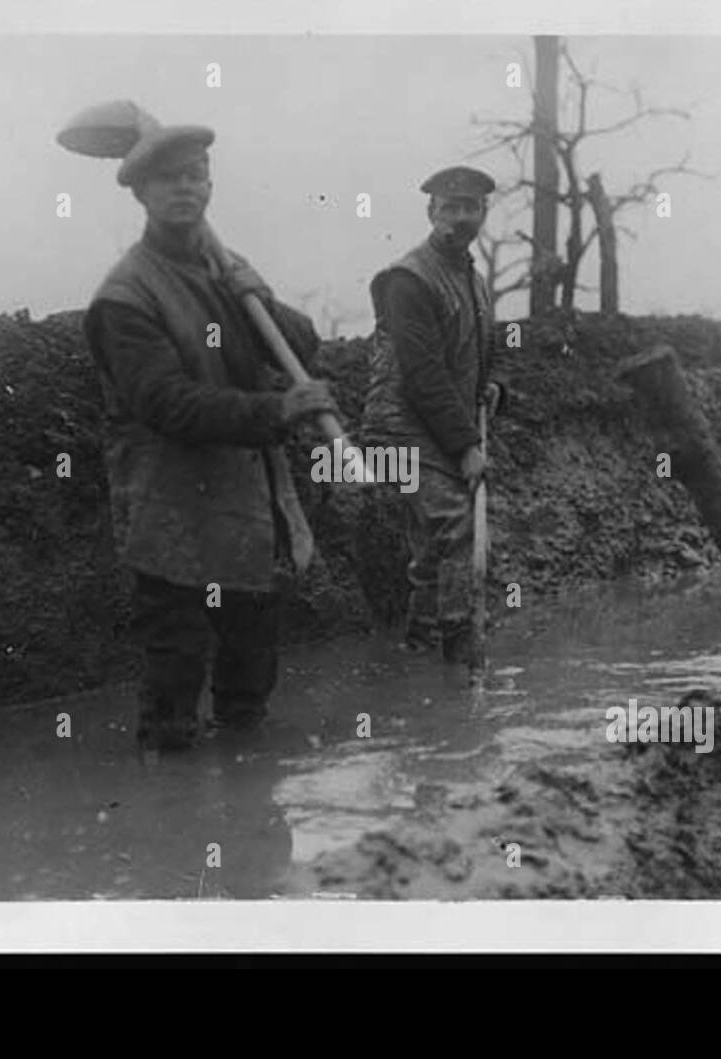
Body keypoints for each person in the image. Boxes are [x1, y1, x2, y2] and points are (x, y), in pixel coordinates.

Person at [81, 113, 339, 754]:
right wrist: (277, 414)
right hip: (171, 509)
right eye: (168, 179)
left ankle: (249, 827)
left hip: (244, 506)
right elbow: (166, 403)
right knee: (176, 677)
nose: (185, 189)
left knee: (250, 674)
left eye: (196, 175)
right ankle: (172, 828)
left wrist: (266, 301)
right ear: (139, 194)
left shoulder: (228, 269)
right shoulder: (125, 296)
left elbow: (299, 348)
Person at [361, 165, 507, 665]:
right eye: (450, 208)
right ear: (430, 212)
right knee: (457, 527)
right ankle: (463, 663)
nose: (460, 218)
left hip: (438, 429)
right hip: (398, 432)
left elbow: (469, 355)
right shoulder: (408, 278)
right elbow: (423, 373)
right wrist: (467, 446)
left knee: (431, 552)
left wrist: (489, 387)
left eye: (471, 208)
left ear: (484, 214)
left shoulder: (475, 281)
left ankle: (420, 665)